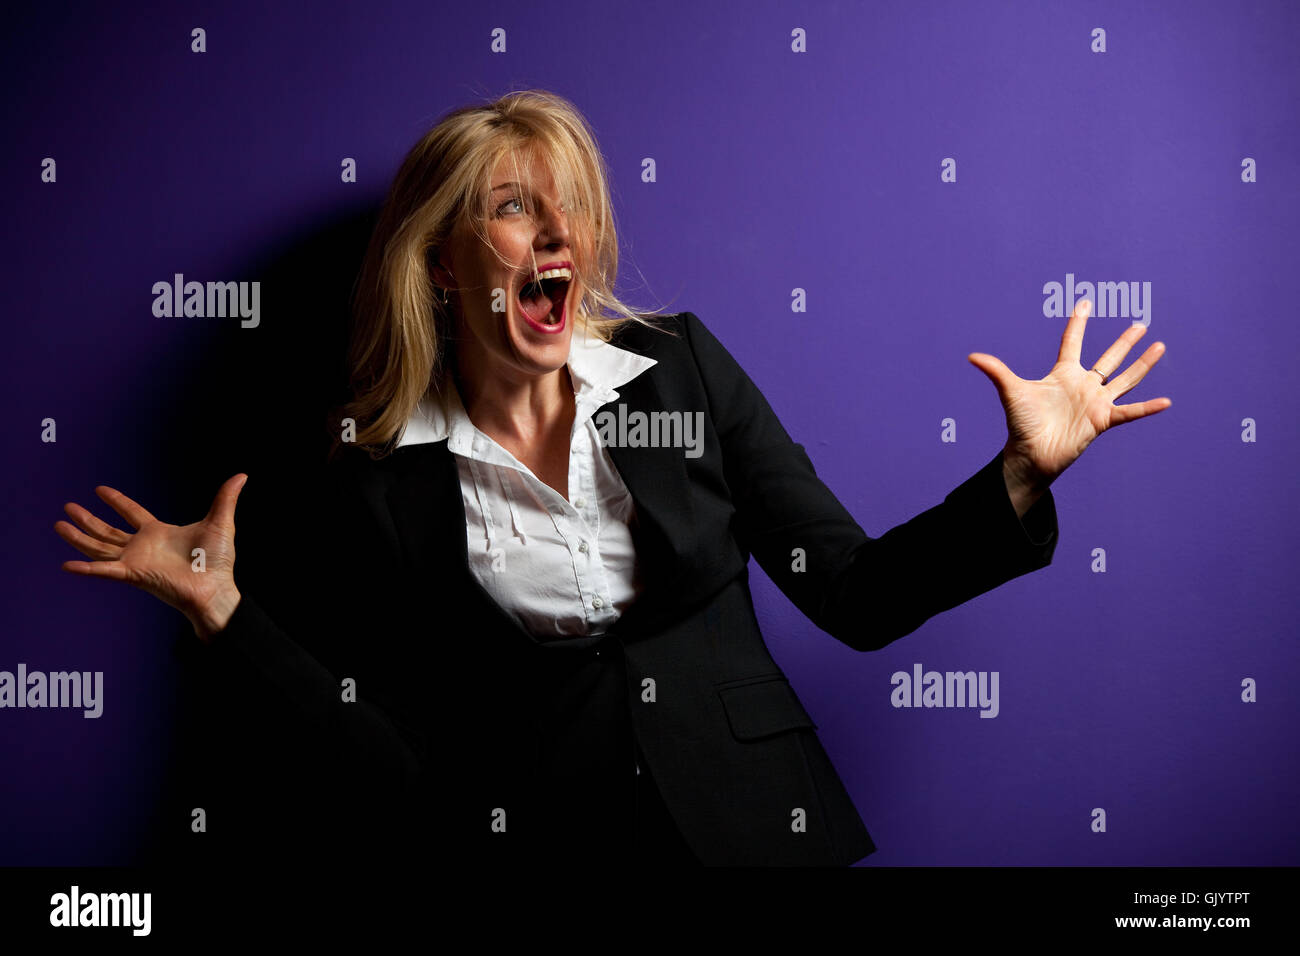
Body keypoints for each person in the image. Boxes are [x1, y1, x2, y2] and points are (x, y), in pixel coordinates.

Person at [55, 89, 1170, 869]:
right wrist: (227, 611)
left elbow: (856, 593)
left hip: (759, 831)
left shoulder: (679, 362)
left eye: (573, 205)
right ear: (442, 263)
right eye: (512, 207)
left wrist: (1016, 476)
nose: (560, 235)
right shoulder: (380, 474)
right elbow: (397, 757)